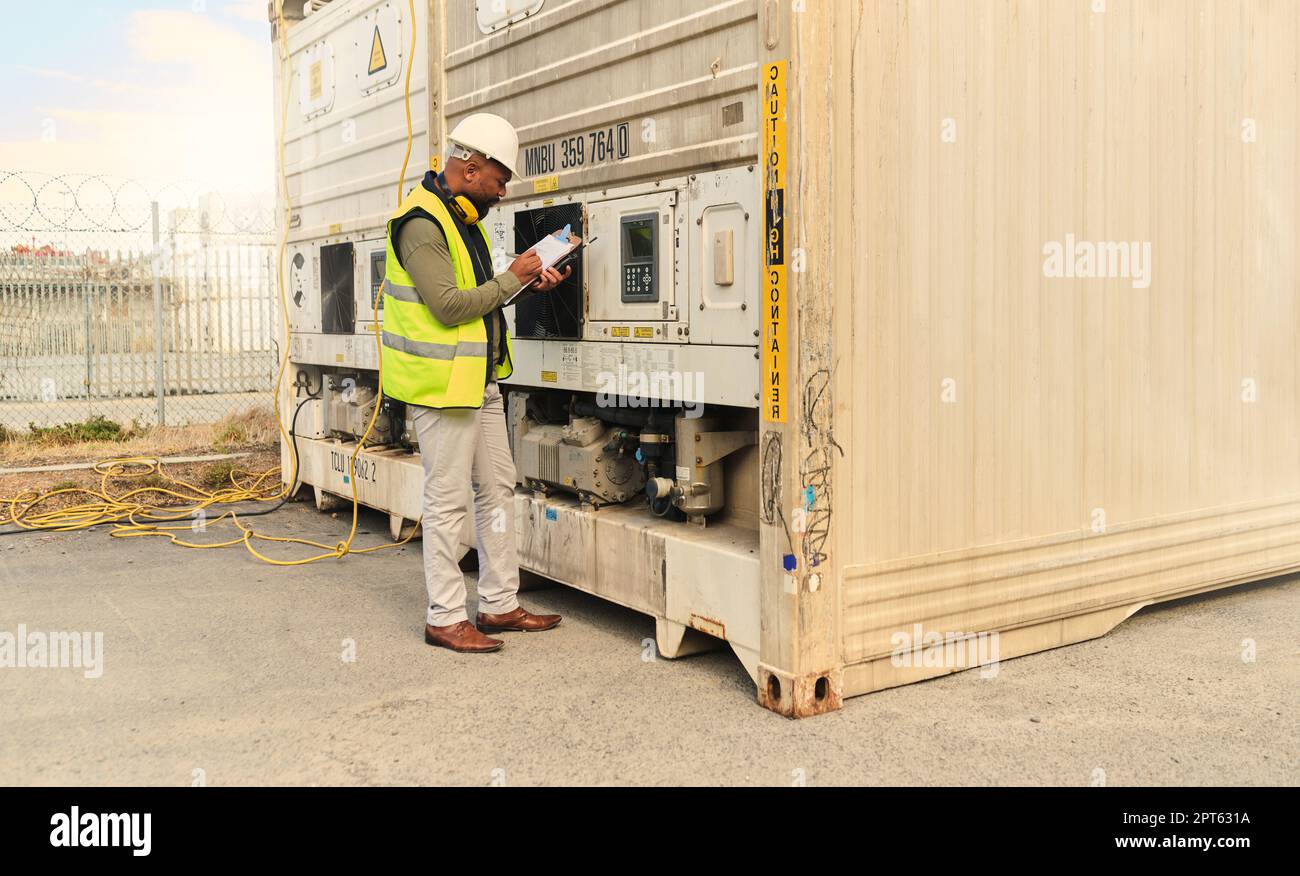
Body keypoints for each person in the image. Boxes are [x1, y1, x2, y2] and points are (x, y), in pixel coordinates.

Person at [379, 113, 573, 653]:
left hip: (478, 383)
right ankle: (444, 616)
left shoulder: (461, 219)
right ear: (470, 166)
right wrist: (512, 277)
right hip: (440, 387)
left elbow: (479, 295)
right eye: (500, 179)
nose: (503, 191)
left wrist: (524, 286)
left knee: (497, 490)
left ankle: (498, 604)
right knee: (446, 503)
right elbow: (447, 307)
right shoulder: (421, 224)